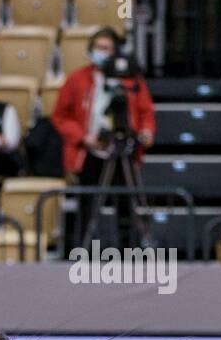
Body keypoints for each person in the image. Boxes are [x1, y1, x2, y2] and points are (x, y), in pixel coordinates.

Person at [51, 27, 156, 246]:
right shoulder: (76, 79)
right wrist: (83, 137)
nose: (103, 52)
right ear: (90, 49)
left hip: (123, 148)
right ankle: (82, 250)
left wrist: (146, 132)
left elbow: (146, 111)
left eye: (107, 48)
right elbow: (60, 116)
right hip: (90, 150)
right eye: (99, 47)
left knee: (127, 204)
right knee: (88, 204)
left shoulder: (130, 79)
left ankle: (130, 251)